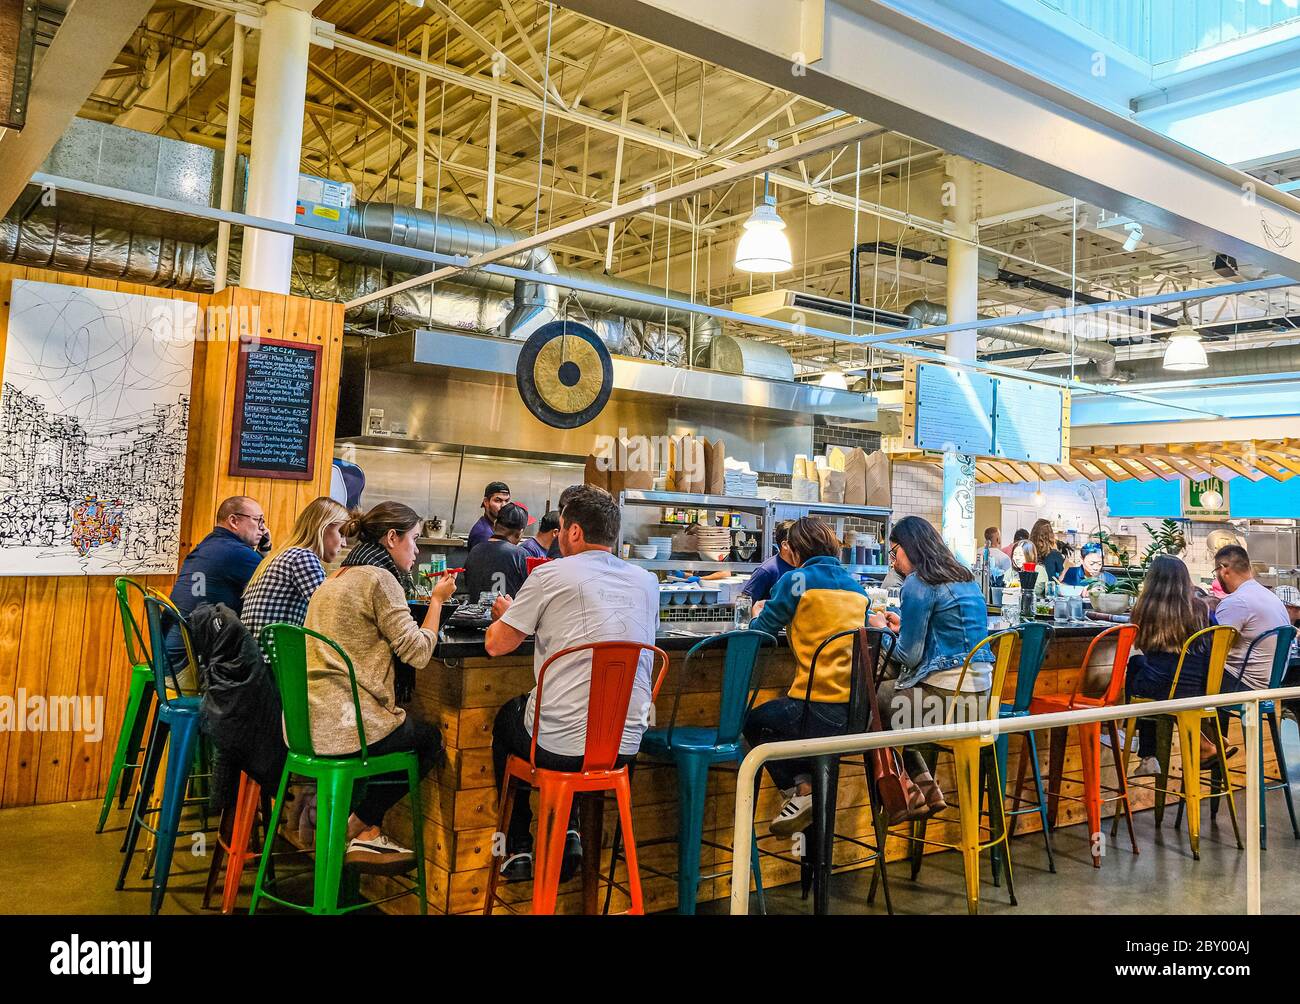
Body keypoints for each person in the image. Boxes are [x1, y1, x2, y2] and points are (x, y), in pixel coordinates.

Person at [484, 485, 658, 883]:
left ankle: (515, 846)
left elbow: (496, 645)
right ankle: (570, 828)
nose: (559, 537)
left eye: (562, 529)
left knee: (508, 718)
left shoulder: (549, 574)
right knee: (585, 718)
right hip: (625, 749)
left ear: (574, 532)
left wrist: (507, 614)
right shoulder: (648, 582)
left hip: (557, 751)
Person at [303, 501, 457, 866]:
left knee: (402, 731)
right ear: (392, 538)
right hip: (347, 725)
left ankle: (361, 834)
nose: (417, 550)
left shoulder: (335, 576)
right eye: (414, 539)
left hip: (309, 721)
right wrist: (436, 602)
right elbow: (418, 653)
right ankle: (356, 828)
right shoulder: (379, 578)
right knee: (428, 741)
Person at [743, 517, 869, 836]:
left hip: (813, 710)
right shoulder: (856, 587)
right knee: (781, 720)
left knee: (754, 722)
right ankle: (806, 791)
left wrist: (757, 615)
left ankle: (802, 791)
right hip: (854, 716)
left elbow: (760, 632)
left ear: (796, 551)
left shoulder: (795, 580)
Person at [871, 516, 991, 808]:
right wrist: (904, 627)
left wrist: (880, 630)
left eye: (894, 550)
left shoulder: (917, 582)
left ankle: (902, 796)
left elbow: (908, 656)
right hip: (982, 705)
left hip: (947, 707)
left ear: (909, 548)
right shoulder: (965, 578)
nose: (893, 561)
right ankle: (923, 782)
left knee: (876, 700)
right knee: (896, 696)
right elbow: (942, 633)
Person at [1124, 555, 1233, 778]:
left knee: (1137, 664)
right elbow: (1215, 639)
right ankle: (1207, 737)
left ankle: (1139, 744)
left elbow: (1141, 646)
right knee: (1161, 681)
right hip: (1203, 689)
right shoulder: (1202, 609)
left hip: (1168, 690)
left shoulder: (1146, 610)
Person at [167, 495, 269, 686]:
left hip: (171, 659)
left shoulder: (211, 545)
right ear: (234, 521)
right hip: (191, 667)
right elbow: (275, 588)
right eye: (258, 520)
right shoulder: (236, 553)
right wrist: (265, 555)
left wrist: (262, 553)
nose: (263, 528)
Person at [241, 496, 349, 642]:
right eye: (341, 534)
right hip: (275, 660)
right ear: (323, 528)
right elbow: (331, 611)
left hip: (256, 656)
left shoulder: (282, 555)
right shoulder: (303, 557)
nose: (344, 543)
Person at [1211, 544, 1289, 692]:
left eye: (1215, 571)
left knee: (1185, 669)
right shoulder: (1271, 597)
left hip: (1244, 684)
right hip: (1271, 683)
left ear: (1223, 569)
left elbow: (1214, 649)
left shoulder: (1237, 601)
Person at [464, 502, 529, 601]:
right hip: (506, 615)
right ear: (520, 533)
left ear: (494, 525)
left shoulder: (475, 550)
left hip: (475, 614)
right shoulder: (520, 555)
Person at [741, 519, 795, 605]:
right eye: (800, 540)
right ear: (785, 545)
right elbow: (744, 603)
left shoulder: (805, 567)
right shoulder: (767, 570)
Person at [467, 481, 512, 551]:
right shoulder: (483, 534)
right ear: (486, 502)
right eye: (498, 500)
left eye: (507, 501)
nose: (504, 505)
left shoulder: (491, 527)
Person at [1030, 519, 1064, 583]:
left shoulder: (1029, 551)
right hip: (1049, 589)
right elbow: (1062, 576)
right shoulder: (1055, 554)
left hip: (1030, 587)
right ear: (1050, 535)